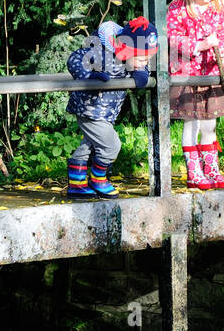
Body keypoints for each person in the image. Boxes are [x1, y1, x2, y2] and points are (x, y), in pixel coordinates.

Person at [65, 16, 158, 197]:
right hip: (89, 108)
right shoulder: (101, 52)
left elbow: (140, 68)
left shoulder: (131, 58)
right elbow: (74, 59)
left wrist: (141, 72)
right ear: (127, 50)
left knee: (90, 145)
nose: (144, 63)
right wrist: (87, 77)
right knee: (111, 145)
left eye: (147, 59)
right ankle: (98, 179)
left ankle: (76, 184)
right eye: (141, 59)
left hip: (106, 111)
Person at [167, 0, 224, 190]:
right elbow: (172, 41)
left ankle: (212, 170)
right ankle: (193, 172)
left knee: (210, 124)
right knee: (192, 123)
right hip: (188, 76)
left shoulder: (221, 8)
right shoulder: (179, 9)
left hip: (211, 74)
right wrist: (199, 46)